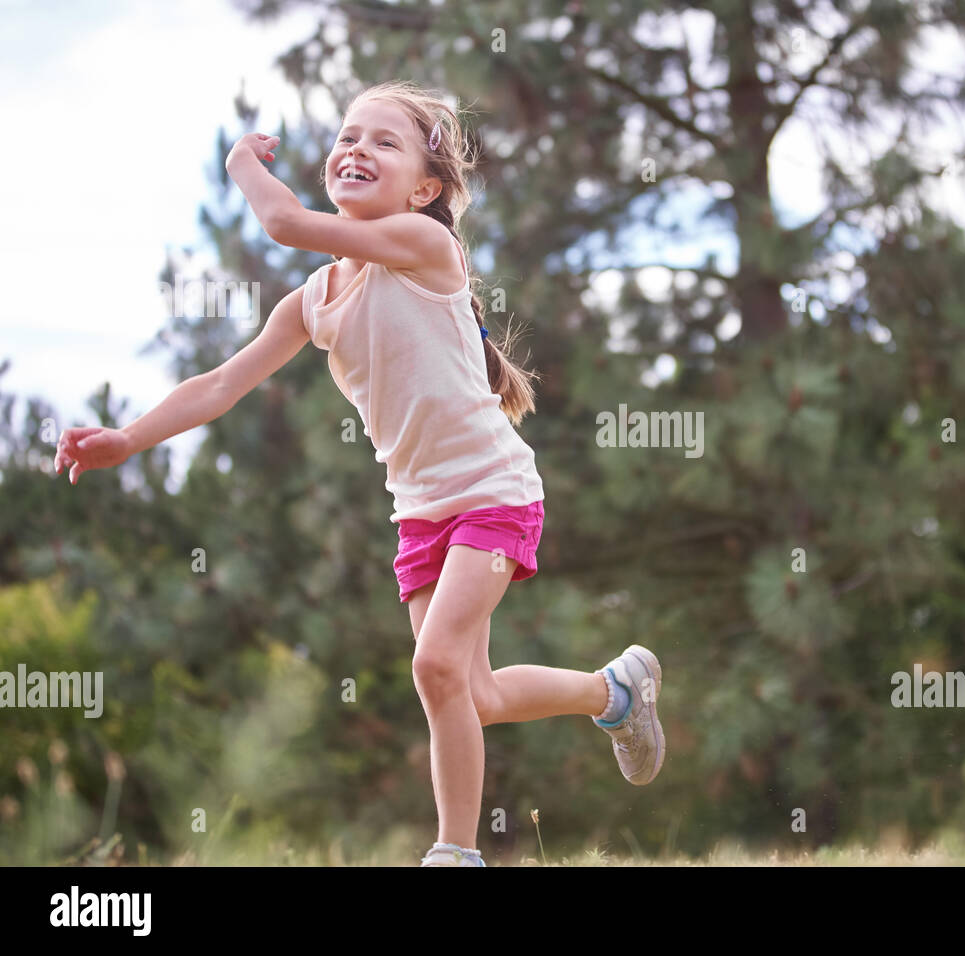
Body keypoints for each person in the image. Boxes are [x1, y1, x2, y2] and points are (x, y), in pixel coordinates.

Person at [53, 79, 665, 868]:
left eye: (384, 141)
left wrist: (241, 160)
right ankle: (614, 694)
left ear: (425, 188)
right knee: (470, 694)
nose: (356, 149)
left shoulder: (424, 246)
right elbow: (218, 385)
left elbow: (279, 221)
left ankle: (455, 854)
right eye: (347, 137)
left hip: (494, 494)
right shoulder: (314, 301)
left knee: (435, 665)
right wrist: (128, 439)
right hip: (420, 512)